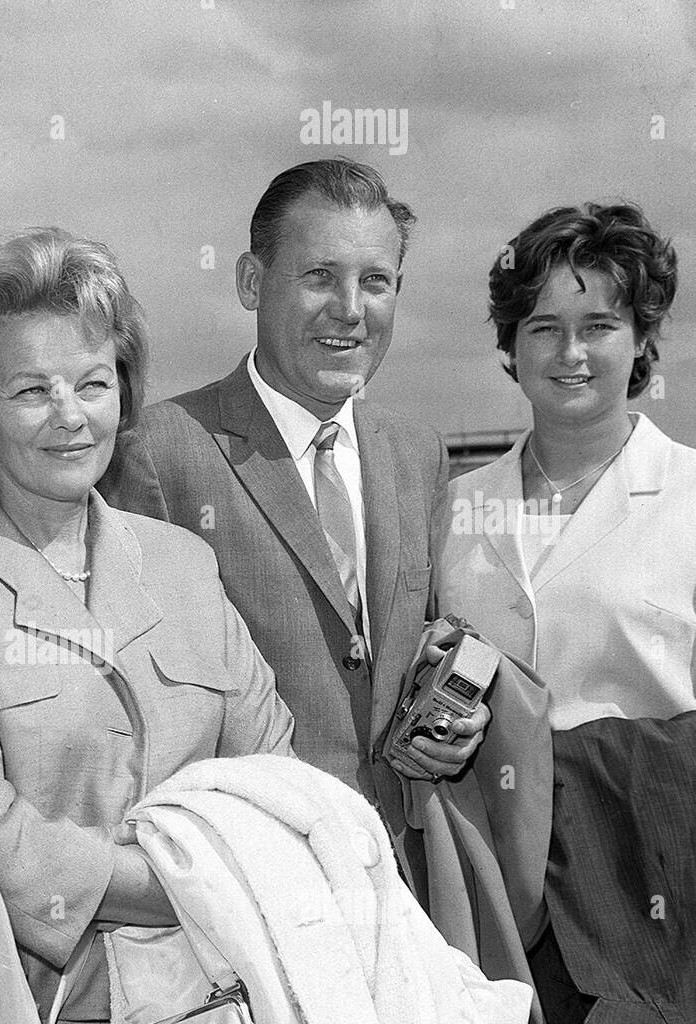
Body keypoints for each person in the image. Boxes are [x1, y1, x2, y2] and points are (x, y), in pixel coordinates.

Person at [0, 226, 295, 1024]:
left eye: (93, 384)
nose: (70, 417)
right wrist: (193, 887)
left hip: (236, 1019)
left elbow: (275, 775)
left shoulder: (183, 559)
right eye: (31, 391)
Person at [435, 201, 696, 1024]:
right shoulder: (455, 511)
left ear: (642, 340)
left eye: (597, 322)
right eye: (541, 326)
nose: (570, 350)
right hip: (511, 888)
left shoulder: (687, 497)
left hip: (663, 882)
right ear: (508, 347)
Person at [99, 157, 489, 879]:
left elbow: (428, 639)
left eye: (376, 281)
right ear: (251, 281)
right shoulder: (155, 451)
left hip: (408, 876)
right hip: (255, 884)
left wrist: (456, 718)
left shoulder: (417, 455)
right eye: (319, 276)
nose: (350, 308)